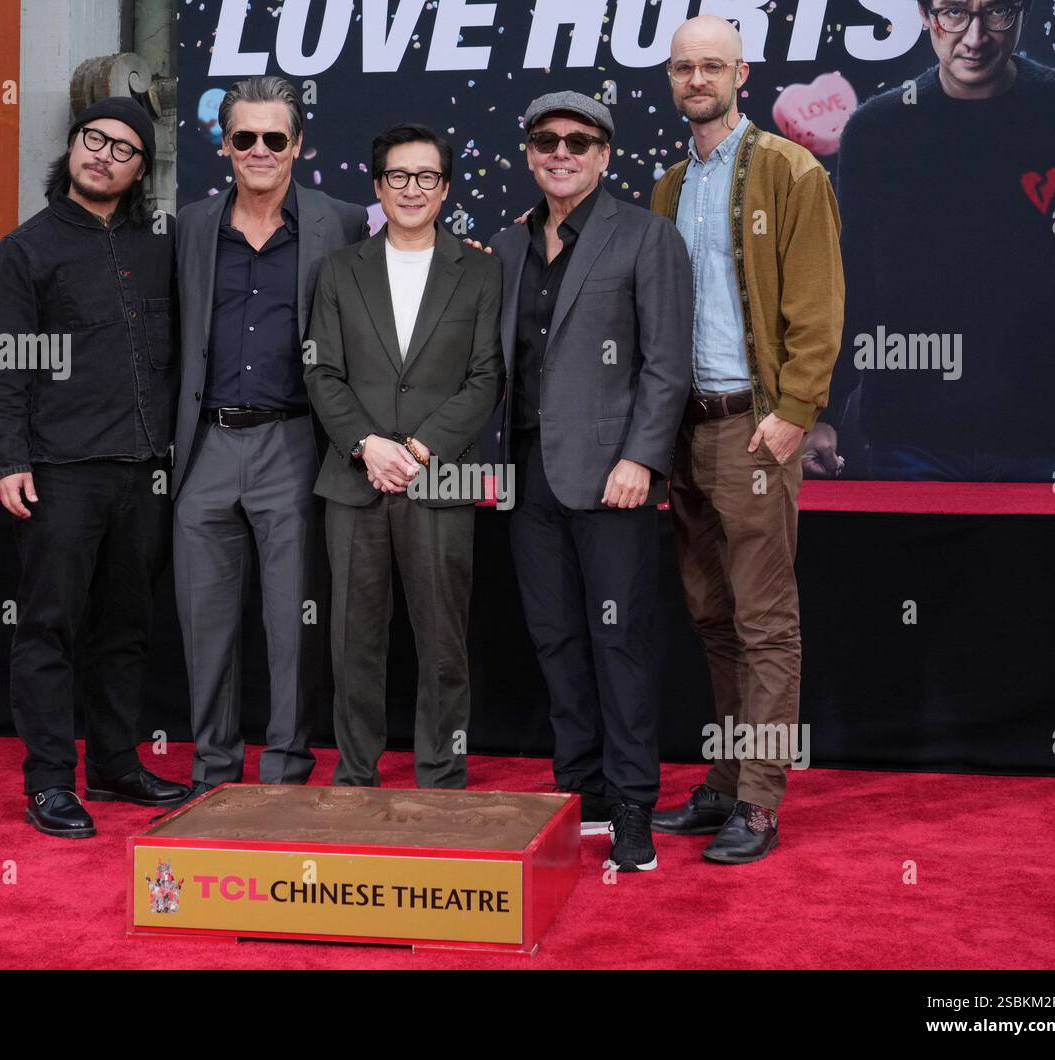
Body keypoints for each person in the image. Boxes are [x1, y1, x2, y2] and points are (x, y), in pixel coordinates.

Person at [650, 15, 843, 863]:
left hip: (754, 430)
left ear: (743, 74)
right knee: (711, 616)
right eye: (684, 67)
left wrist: (792, 412)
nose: (697, 79)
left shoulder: (789, 169)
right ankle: (725, 783)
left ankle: (760, 803)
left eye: (712, 66)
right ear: (672, 79)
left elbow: (819, 306)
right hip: (685, 430)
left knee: (765, 622)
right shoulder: (668, 187)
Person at [491, 92, 692, 872]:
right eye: (546, 140)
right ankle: (581, 791)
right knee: (554, 638)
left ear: (605, 154)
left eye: (579, 141)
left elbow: (667, 364)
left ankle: (636, 801)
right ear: (530, 153)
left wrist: (642, 460)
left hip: (614, 477)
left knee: (620, 640)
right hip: (527, 476)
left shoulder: (647, 237)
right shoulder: (507, 249)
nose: (561, 152)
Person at [0, 96, 188, 838]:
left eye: (123, 148)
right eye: (93, 139)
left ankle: (114, 762)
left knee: (127, 628)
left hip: (145, 472)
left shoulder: (160, 248)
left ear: (139, 171)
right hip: (62, 471)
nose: (103, 154)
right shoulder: (25, 250)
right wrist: (9, 459)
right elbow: (5, 366)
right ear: (72, 147)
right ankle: (47, 781)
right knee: (50, 627)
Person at [168, 77, 368, 807]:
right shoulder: (190, 226)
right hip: (205, 451)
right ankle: (213, 777)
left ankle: (284, 775)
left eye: (274, 138)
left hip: (294, 445)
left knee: (293, 624)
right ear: (222, 144)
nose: (258, 150)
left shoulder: (342, 222)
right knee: (205, 625)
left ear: (299, 147)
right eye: (243, 137)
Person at [810, 0, 1055, 480]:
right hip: (909, 433)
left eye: (996, 13)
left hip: (1039, 429)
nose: (974, 37)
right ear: (927, 16)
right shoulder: (877, 131)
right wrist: (822, 412)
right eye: (953, 12)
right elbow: (852, 283)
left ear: (1023, 14)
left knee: (1035, 559)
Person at [305, 123, 503, 789]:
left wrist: (416, 449)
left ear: (444, 188)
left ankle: (442, 775)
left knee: (443, 643)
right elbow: (321, 373)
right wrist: (367, 445)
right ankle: (355, 773)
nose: (411, 188)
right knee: (351, 641)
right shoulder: (338, 270)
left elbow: (488, 378)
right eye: (398, 176)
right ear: (377, 186)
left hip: (440, 481)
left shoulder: (481, 270)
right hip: (353, 482)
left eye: (426, 177)